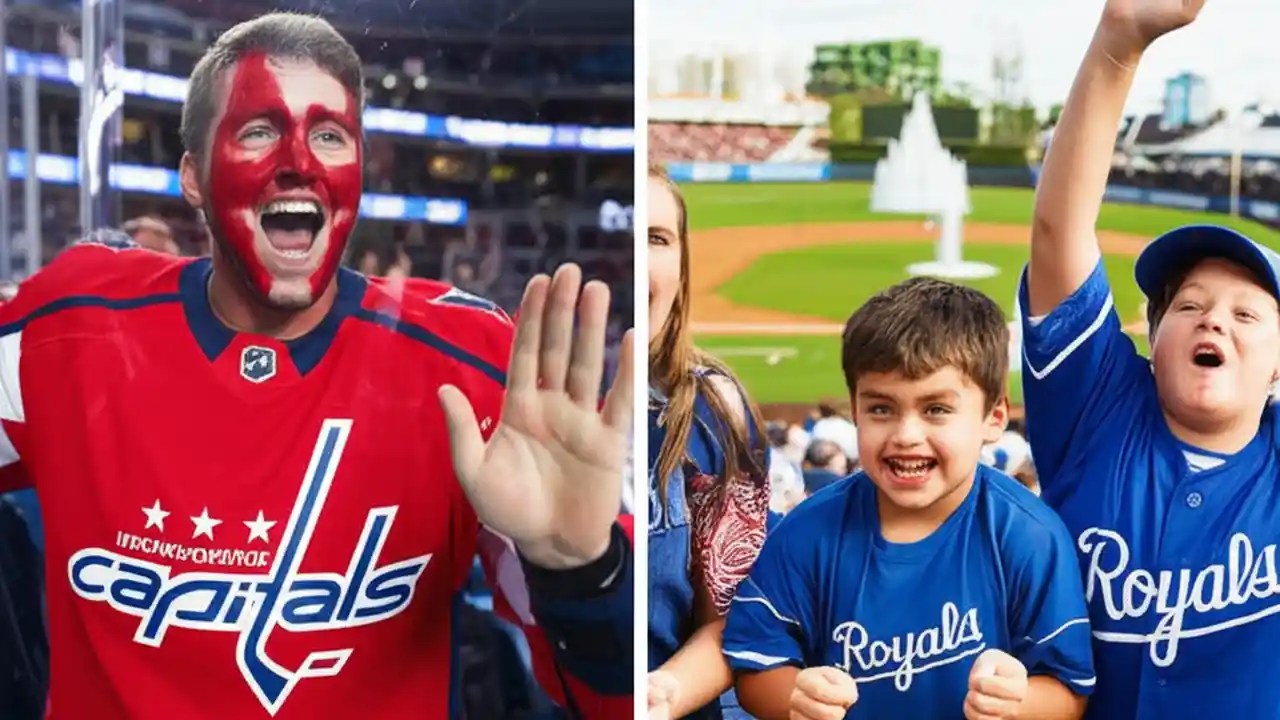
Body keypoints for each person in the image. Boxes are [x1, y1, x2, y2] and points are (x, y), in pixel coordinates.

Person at [0, 14, 633, 718]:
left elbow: (618, 698)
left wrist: (584, 576)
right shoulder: (72, 326)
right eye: (260, 130)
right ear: (193, 176)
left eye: (329, 134)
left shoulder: (469, 362)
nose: (298, 160)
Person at [1022, 0, 1280, 716]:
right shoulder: (1097, 409)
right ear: (1152, 335)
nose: (1215, 323)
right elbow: (1057, 232)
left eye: (1247, 314)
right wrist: (1120, 39)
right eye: (1189, 307)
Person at [723, 278, 1095, 720]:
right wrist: (795, 697)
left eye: (936, 409)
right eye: (881, 408)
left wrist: (1019, 703)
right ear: (855, 410)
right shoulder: (808, 530)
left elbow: (1068, 691)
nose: (906, 436)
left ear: (994, 417)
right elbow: (756, 667)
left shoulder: (1030, 536)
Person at [646, 165, 771, 719]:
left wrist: (663, 694)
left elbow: (733, 614)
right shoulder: (507, 391)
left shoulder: (712, 408)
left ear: (681, 267)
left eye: (656, 239)